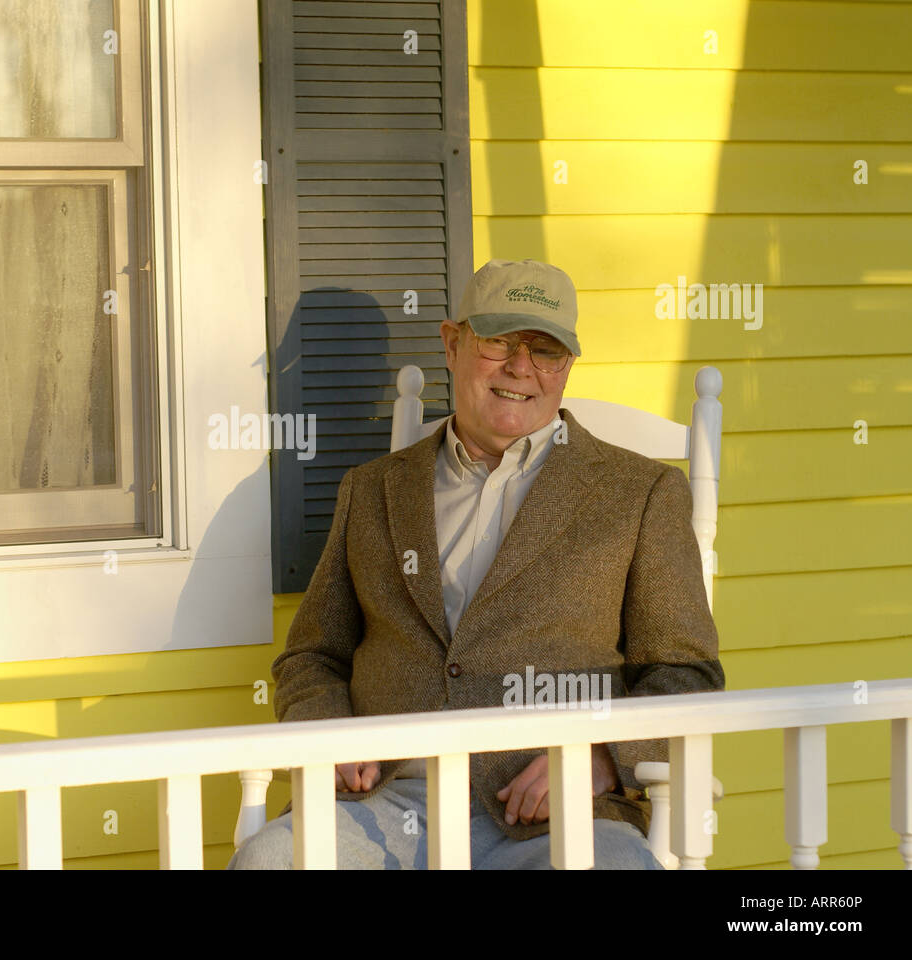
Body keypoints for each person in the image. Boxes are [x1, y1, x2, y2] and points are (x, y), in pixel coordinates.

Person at [228, 258, 725, 870]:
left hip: (552, 818)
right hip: (380, 802)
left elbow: (686, 674)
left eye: (545, 351)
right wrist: (329, 733)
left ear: (567, 366)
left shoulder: (639, 493)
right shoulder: (373, 489)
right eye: (499, 341)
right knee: (269, 861)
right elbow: (312, 654)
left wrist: (598, 758)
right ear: (453, 342)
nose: (521, 367)